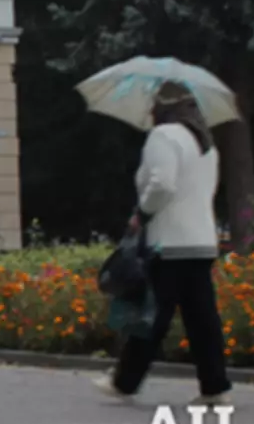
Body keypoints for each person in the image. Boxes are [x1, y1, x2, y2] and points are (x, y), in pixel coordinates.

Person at [95, 80, 233, 406]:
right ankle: (215, 386)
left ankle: (124, 382)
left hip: (169, 242)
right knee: (202, 320)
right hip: (200, 240)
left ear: (163, 108)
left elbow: (162, 184)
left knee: (151, 316)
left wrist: (141, 213)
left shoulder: (163, 136)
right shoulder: (206, 145)